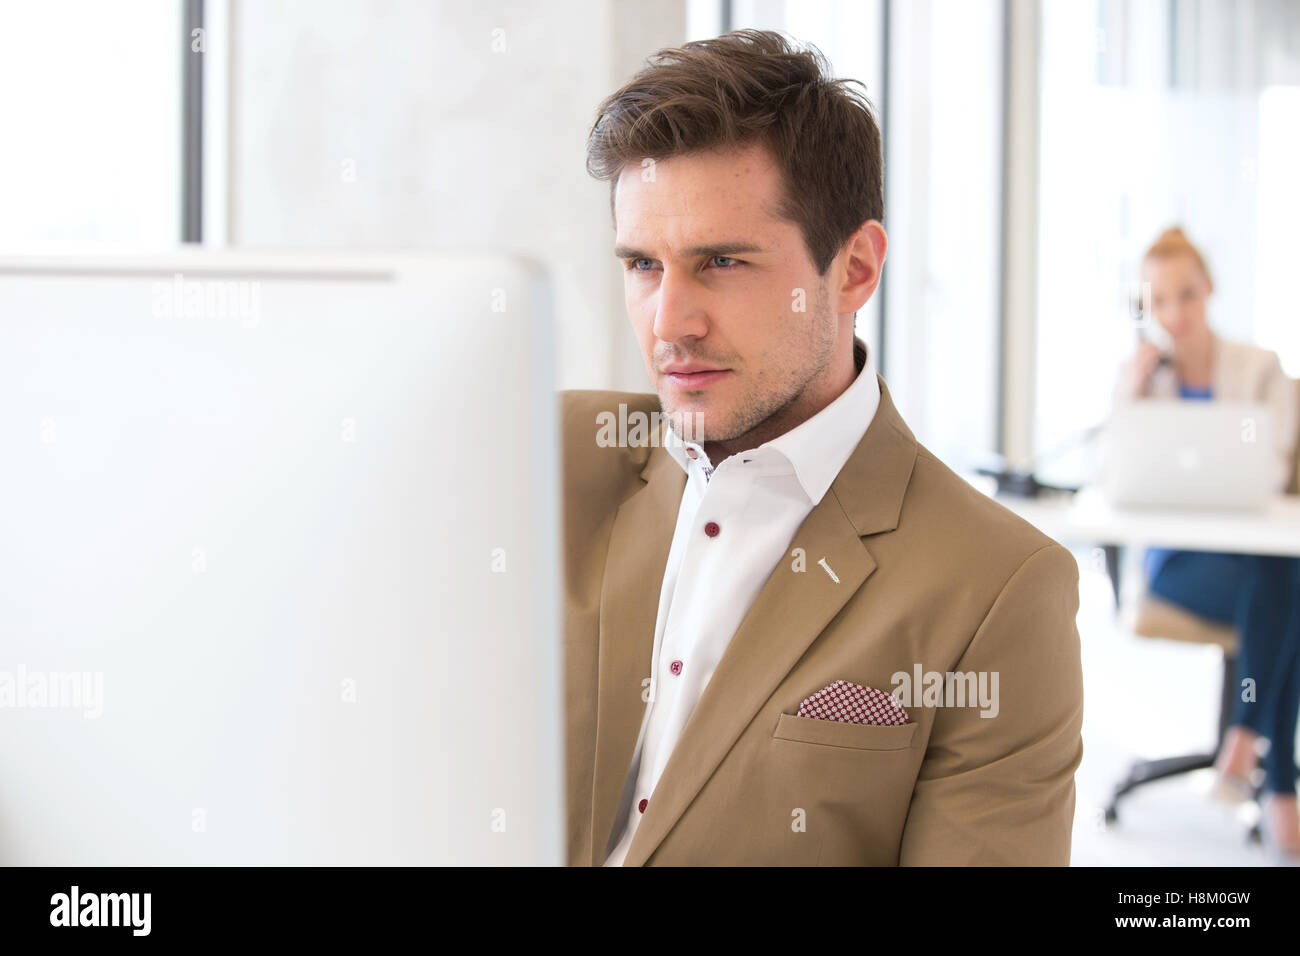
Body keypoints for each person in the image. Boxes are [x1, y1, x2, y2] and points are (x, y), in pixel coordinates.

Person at [560, 29, 1084, 866]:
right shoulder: (543, 462)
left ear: (854, 271)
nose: (669, 324)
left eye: (722, 262)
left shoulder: (996, 590)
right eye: (642, 265)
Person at [1113, 226, 1300, 856]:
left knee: (1278, 575)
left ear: (1209, 289)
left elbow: (1273, 465)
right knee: (1286, 586)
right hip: (1179, 565)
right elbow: (1110, 478)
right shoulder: (1143, 376)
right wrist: (1133, 396)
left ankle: (1247, 743)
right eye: (1160, 300)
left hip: (1252, 562)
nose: (1175, 313)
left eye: (1186, 295)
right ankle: (1274, 776)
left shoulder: (1260, 368)